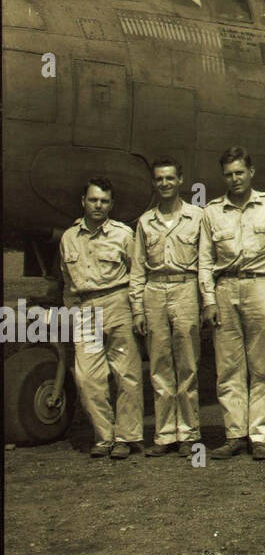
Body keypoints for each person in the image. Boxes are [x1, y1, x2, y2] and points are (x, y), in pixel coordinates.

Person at [197, 147, 265, 460]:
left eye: (239, 172)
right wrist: (208, 300)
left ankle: (259, 435)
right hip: (225, 288)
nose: (234, 179)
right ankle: (235, 433)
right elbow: (205, 260)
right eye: (229, 174)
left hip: (261, 285)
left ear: (251, 172)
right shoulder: (212, 211)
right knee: (228, 367)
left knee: (262, 367)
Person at [58, 178, 144, 459]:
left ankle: (126, 437)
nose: (99, 206)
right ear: (83, 201)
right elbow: (66, 280)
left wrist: (136, 309)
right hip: (86, 308)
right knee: (88, 377)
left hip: (117, 301)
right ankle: (104, 436)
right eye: (94, 200)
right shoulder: (68, 238)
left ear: (112, 205)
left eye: (104, 201)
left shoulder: (122, 235)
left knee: (126, 373)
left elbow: (137, 275)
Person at [129, 159, 204, 456]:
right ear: (154, 183)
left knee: (187, 363)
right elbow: (137, 268)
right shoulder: (145, 221)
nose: (164, 184)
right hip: (154, 289)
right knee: (160, 365)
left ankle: (188, 434)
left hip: (186, 287)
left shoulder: (197, 217)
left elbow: (205, 261)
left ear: (181, 180)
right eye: (159, 179)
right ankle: (164, 434)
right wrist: (137, 308)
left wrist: (204, 298)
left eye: (170, 178)